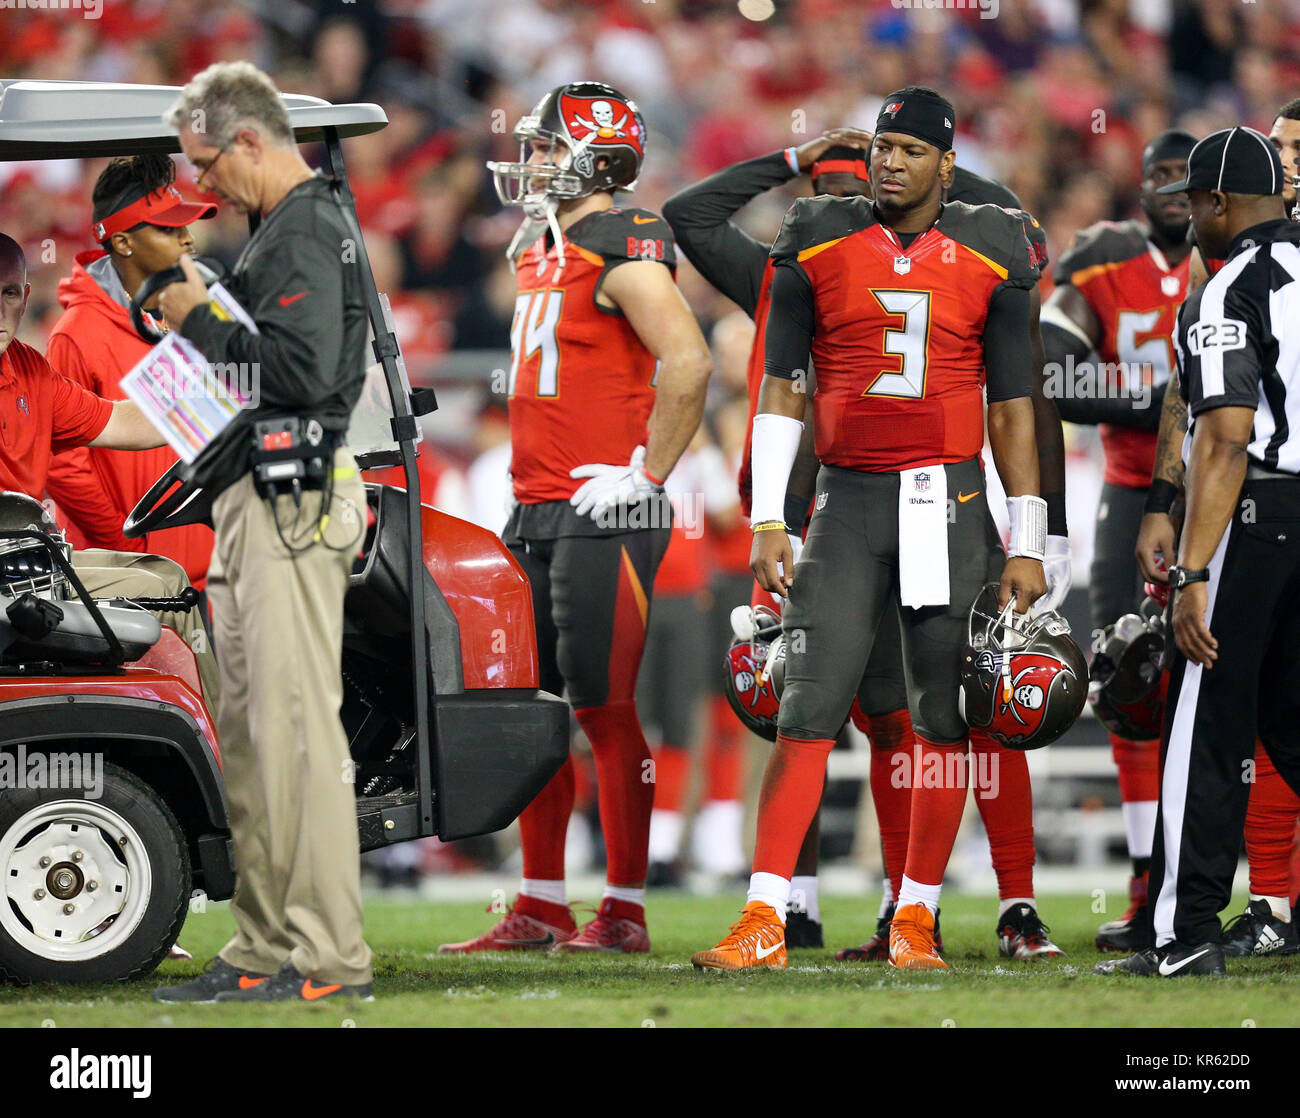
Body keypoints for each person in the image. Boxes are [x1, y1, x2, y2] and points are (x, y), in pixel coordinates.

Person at [666, 129, 1066, 960]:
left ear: (947, 166)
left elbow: (1013, 408)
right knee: (806, 710)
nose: (890, 161)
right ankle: (766, 918)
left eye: (914, 149)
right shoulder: (815, 231)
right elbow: (782, 384)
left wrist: (1029, 536)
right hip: (845, 498)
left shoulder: (991, 241)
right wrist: (771, 516)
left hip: (946, 497)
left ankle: (915, 918)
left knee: (941, 716)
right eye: (883, 146)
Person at [438, 81, 711, 954]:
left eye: (549, 147)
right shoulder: (539, 245)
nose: (533, 162)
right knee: (535, 709)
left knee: (604, 709)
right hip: (538, 505)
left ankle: (625, 909)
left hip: (606, 509)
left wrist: (647, 472)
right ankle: (542, 902)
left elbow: (690, 360)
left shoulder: (624, 239)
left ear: (597, 156)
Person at [150, 61, 373, 1004]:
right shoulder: (287, 228)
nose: (204, 186)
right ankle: (263, 945)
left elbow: (301, 375)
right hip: (255, 497)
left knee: (295, 731)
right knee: (251, 738)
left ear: (249, 139)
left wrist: (198, 316)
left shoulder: (306, 228)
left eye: (207, 163)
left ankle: (329, 957)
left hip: (291, 500)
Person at [1097, 126, 1300, 979]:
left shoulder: (1231, 288)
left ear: (1216, 202)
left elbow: (1223, 437)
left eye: (1194, 202)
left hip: (1263, 517)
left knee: (1204, 725)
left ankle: (1183, 933)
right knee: (1290, 724)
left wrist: (1190, 573)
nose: (1188, 217)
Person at [1040, 129, 1197, 951]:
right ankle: (1148, 880)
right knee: (1126, 680)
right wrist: (1175, 401)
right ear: (1139, 186)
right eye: (1159, 174)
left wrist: (1142, 394)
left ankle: (1264, 886)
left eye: (1185, 174)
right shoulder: (1101, 258)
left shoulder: (1242, 257)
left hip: (1227, 498)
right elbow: (1056, 374)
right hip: (1132, 494)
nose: (1173, 187)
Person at [0, 233, 214, 693]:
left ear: (25, 296)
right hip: (14, 576)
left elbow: (121, 422)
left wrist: (197, 351)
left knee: (167, 573)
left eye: (9, 293)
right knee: (165, 592)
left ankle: (215, 742)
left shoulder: (30, 369)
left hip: (29, 563)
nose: (0, 310)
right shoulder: (80, 332)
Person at [46, 153, 216, 591]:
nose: (189, 242)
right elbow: (63, 464)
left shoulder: (189, 313)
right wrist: (126, 547)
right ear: (123, 243)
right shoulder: (77, 333)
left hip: (211, 569)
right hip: (137, 582)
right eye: (170, 229)